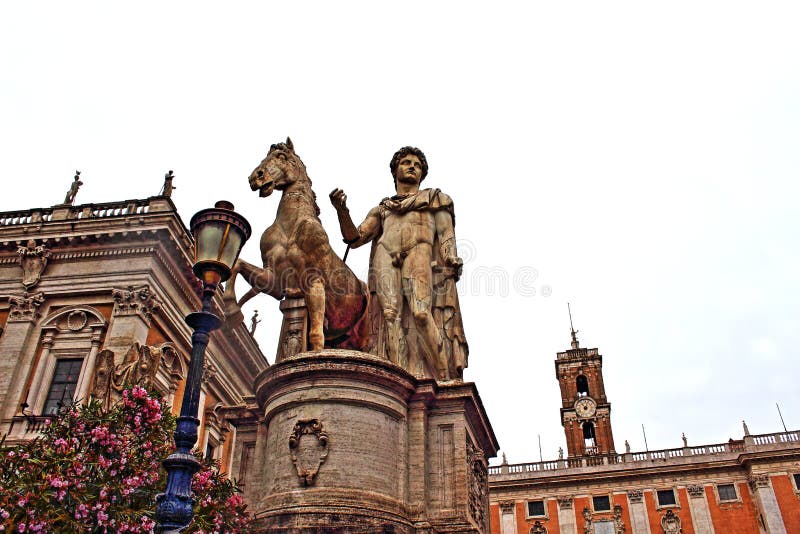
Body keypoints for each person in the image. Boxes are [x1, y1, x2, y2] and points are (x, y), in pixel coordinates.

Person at [330, 147, 467, 380]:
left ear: (422, 173)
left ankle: (444, 375)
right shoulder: (383, 209)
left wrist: (451, 256)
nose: (412, 166)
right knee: (390, 316)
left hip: (419, 251)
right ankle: (401, 377)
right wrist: (342, 211)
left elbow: (446, 234)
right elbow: (355, 238)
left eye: (417, 164)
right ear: (395, 171)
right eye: (406, 162)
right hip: (386, 252)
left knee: (421, 313)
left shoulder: (434, 199)